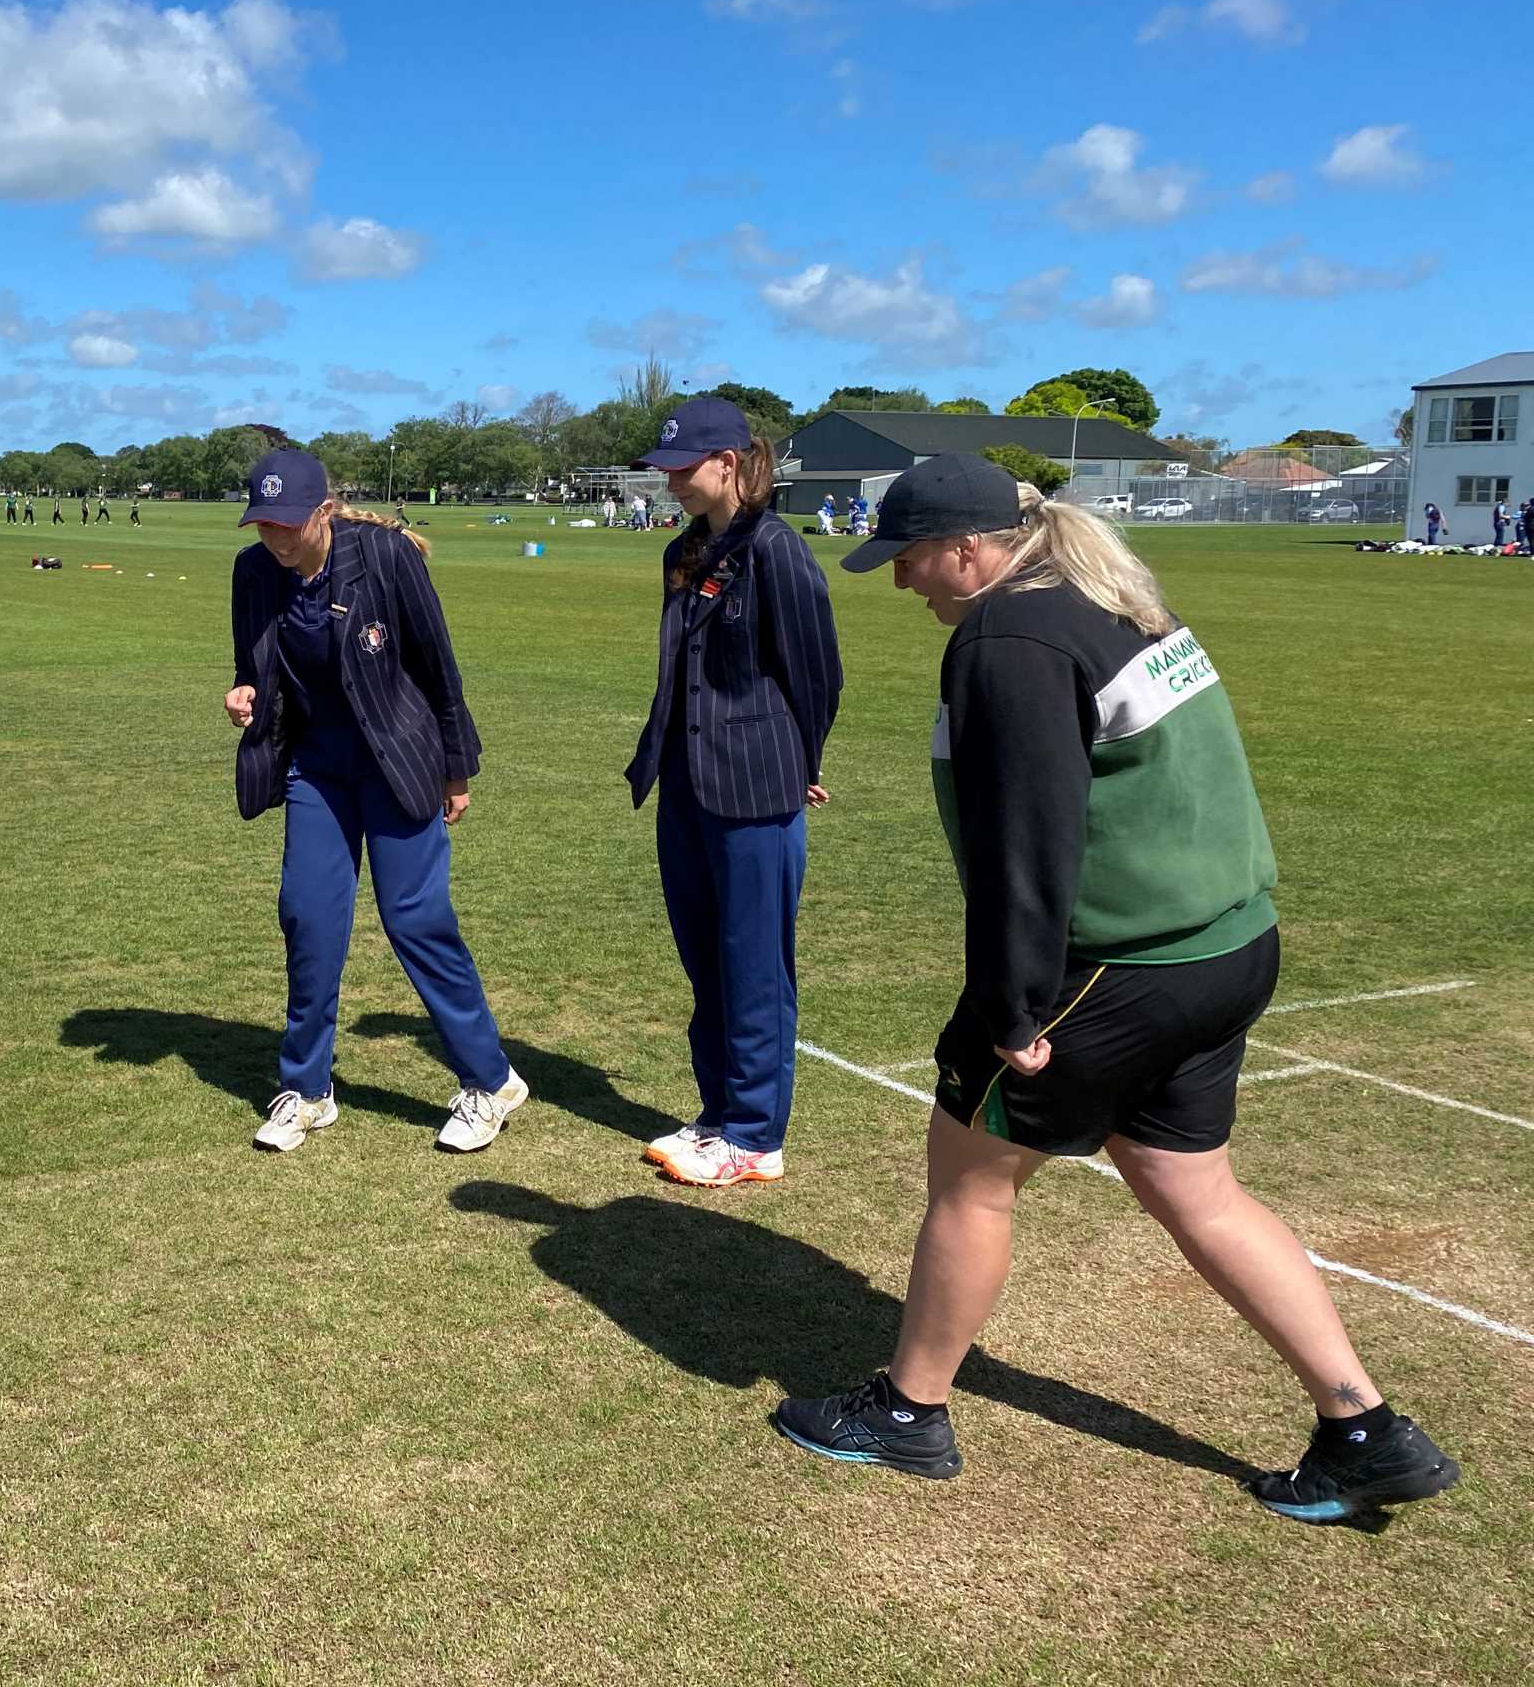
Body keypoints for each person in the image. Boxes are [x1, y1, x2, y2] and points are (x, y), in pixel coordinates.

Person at [774, 454, 1462, 1524]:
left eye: (908, 559)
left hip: (1112, 969)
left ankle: (907, 1412)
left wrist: (1009, 1005)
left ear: (968, 547)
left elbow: (1029, 838)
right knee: (1195, 1189)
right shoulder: (1106, 598)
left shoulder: (1009, 637)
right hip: (1223, 948)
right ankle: (1361, 1427)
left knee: (970, 1176)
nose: (904, 583)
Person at [222, 449, 529, 1155]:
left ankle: (491, 1082)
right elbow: (255, 664)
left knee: (416, 918)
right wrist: (244, 693)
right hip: (317, 771)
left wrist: (458, 771)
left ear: (324, 512)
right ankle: (307, 1090)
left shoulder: (387, 557)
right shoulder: (252, 573)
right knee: (308, 917)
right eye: (261, 522)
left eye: (287, 524)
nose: (273, 537)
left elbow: (438, 666)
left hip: (399, 762)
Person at [625, 396, 842, 1188]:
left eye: (684, 469)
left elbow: (817, 672)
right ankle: (717, 1112)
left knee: (754, 963)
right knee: (704, 959)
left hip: (756, 786)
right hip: (683, 781)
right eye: (665, 470)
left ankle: (756, 1134)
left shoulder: (777, 549)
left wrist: (801, 760)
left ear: (728, 464)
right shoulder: (682, 551)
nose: (672, 481)